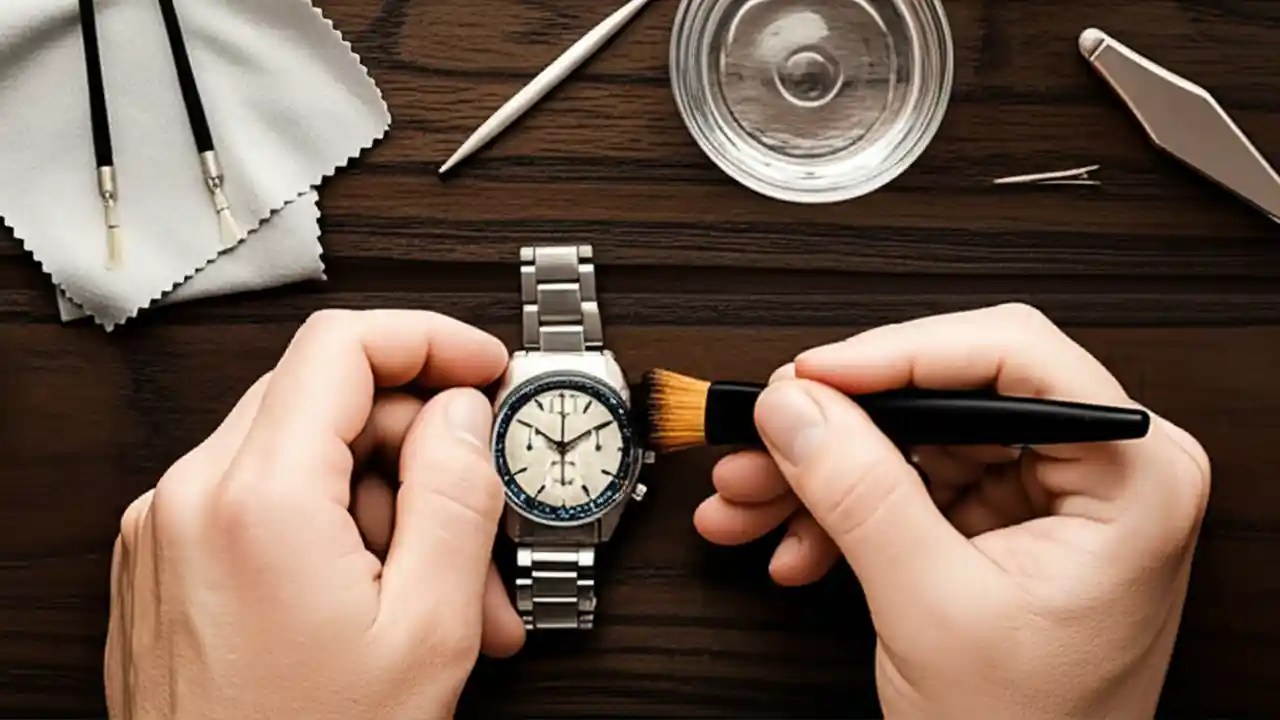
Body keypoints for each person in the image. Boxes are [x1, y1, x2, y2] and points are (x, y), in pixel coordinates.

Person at [106, 304, 1210, 719]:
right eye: (539, 444)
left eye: (579, 447)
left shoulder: (607, 451)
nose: (551, 450)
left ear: (620, 476)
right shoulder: (586, 436)